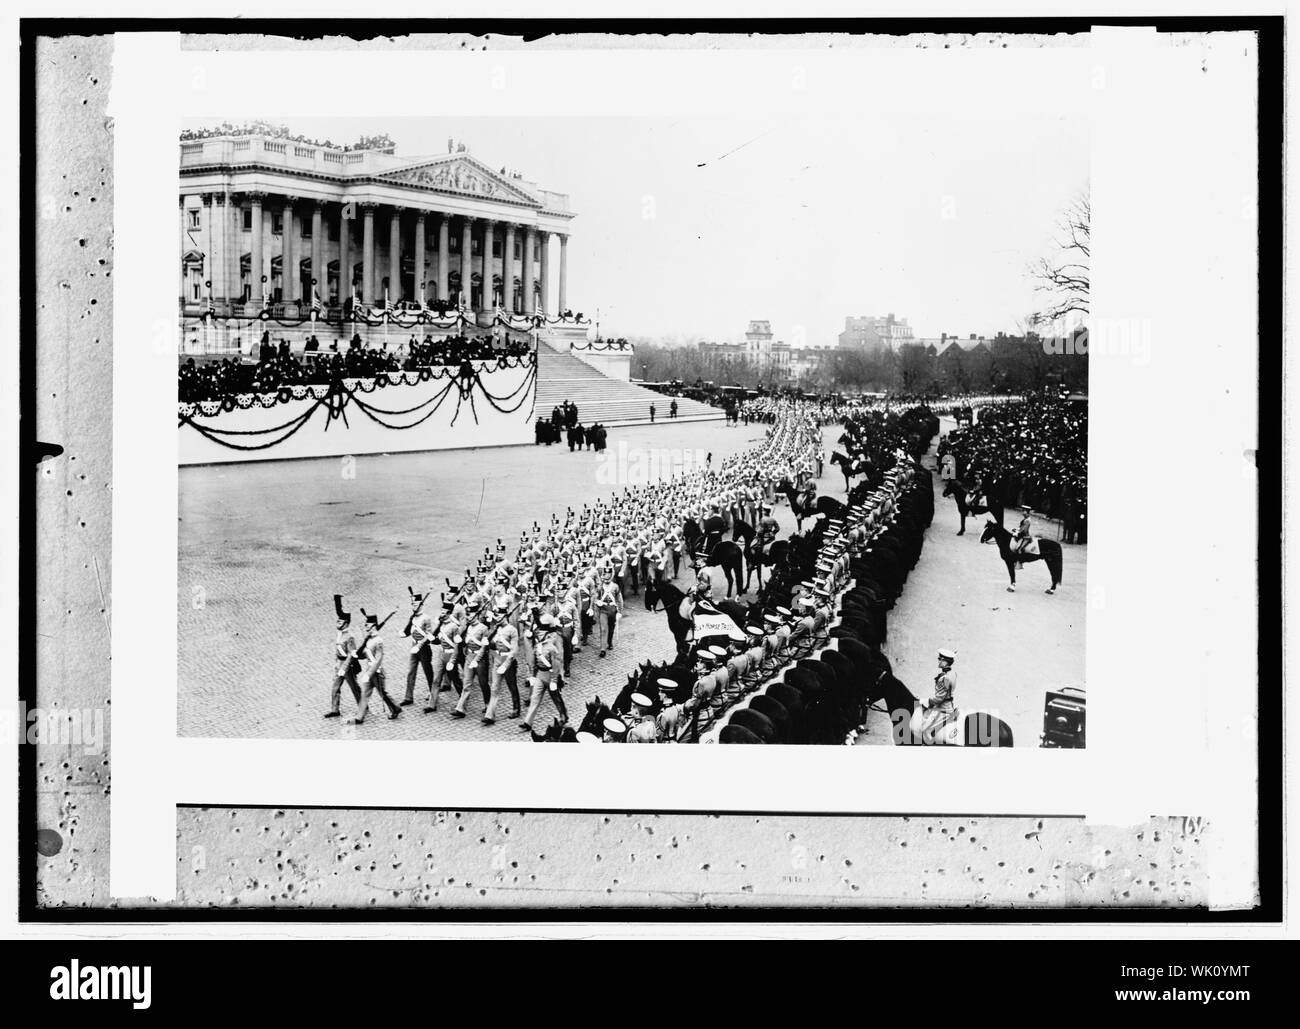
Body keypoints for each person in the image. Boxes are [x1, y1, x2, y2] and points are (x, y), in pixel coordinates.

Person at [351, 610, 402, 724]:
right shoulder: (368, 640)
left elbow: (378, 660)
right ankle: (359, 717)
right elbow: (364, 655)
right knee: (365, 693)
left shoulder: (378, 641)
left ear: (373, 626)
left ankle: (395, 708)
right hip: (370, 671)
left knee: (383, 693)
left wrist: (368, 675)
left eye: (367, 625)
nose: (365, 627)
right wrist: (358, 652)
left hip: (377, 672)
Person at [325, 594, 361, 719]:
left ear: (346, 624)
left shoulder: (349, 636)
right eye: (337, 621)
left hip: (347, 665)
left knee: (354, 687)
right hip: (339, 664)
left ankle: (362, 705)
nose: (337, 623)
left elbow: (351, 653)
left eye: (340, 621)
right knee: (335, 686)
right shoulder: (340, 634)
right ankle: (335, 709)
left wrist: (343, 668)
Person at [401, 587, 434, 707]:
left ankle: (433, 694)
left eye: (415, 604)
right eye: (412, 604)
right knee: (411, 672)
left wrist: (420, 645)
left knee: (428, 672)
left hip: (424, 649)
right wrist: (404, 633)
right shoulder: (413, 617)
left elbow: (429, 634)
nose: (413, 606)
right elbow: (410, 630)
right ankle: (408, 697)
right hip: (413, 647)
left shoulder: (426, 618)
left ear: (420, 604)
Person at [919, 648, 957, 743]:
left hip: (943, 710)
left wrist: (923, 701)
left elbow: (939, 699)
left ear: (946, 662)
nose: (938, 660)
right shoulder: (952, 674)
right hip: (946, 706)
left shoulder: (944, 678)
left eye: (940, 659)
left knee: (925, 731)